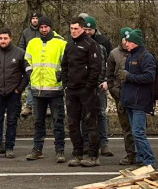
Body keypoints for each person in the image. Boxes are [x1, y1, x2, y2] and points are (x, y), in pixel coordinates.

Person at [25, 16, 67, 163]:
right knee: (38, 122)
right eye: (41, 27)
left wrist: (60, 75)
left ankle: (60, 150)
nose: (43, 29)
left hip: (55, 89)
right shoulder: (32, 43)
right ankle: (37, 149)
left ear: (50, 27)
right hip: (37, 89)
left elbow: (66, 62)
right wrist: (30, 73)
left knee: (58, 121)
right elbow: (27, 60)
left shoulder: (61, 43)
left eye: (46, 27)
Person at [61, 17, 102, 167]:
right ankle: (77, 153)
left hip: (87, 90)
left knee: (90, 122)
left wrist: (89, 86)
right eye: (71, 29)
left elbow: (96, 68)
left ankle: (93, 156)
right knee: (72, 123)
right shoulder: (69, 45)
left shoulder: (91, 45)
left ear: (83, 29)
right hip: (71, 90)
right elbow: (64, 65)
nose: (73, 31)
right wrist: (66, 84)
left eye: (76, 29)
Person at [0, 27, 28, 159]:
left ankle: (9, 147)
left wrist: (19, 89)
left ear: (10, 38)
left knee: (12, 121)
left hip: (13, 93)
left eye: (5, 38)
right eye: (1, 38)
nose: (3, 41)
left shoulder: (20, 53)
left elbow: (27, 73)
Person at [120, 29, 158, 168]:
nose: (126, 44)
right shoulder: (131, 56)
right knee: (135, 132)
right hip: (130, 100)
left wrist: (129, 76)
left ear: (136, 42)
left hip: (140, 101)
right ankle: (141, 157)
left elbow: (149, 77)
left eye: (129, 42)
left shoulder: (146, 57)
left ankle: (149, 160)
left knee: (138, 132)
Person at [105, 27, 136, 166]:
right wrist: (115, 91)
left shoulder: (138, 53)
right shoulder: (114, 54)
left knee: (138, 127)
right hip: (121, 96)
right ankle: (130, 154)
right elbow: (109, 76)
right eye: (125, 39)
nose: (127, 42)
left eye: (129, 39)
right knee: (126, 127)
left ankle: (140, 153)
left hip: (136, 96)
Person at [83, 16, 113, 157]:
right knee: (86, 115)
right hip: (84, 85)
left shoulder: (104, 42)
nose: (88, 32)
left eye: (90, 29)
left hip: (100, 84)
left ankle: (104, 144)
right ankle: (86, 144)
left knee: (101, 114)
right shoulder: (79, 41)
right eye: (86, 29)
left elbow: (109, 63)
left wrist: (107, 80)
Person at [19, 11, 42, 118]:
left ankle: (44, 107)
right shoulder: (25, 32)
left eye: (37, 18)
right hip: (30, 62)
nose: (35, 20)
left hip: (43, 62)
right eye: (33, 18)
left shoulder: (43, 31)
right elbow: (21, 47)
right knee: (29, 85)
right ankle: (29, 105)